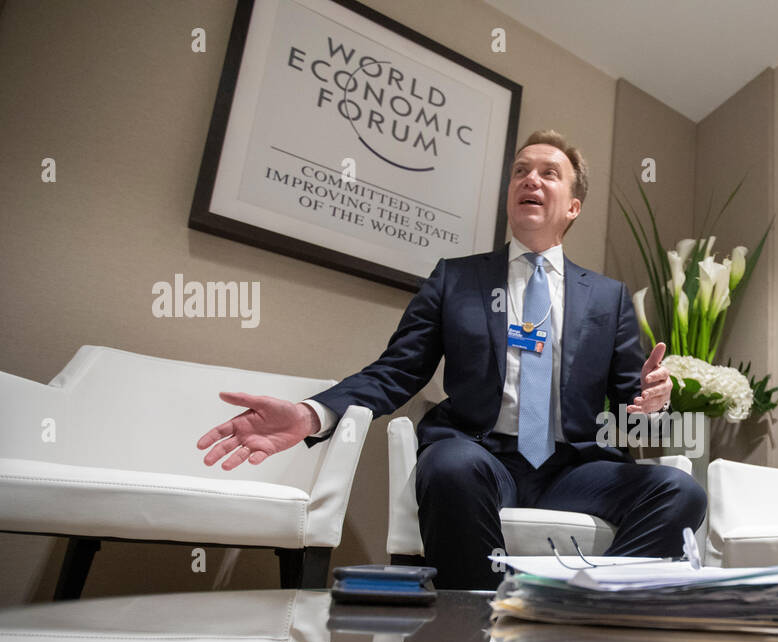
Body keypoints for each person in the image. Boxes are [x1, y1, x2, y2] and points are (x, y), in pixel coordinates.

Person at [197, 129, 706, 587]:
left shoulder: (607, 297)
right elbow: (398, 370)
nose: (531, 178)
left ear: (572, 206)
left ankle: (589, 608)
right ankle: (477, 632)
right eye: (520, 171)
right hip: (481, 457)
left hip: (572, 470)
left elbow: (629, 397)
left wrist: (652, 398)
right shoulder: (456, 278)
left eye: (549, 173)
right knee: (449, 465)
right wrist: (311, 413)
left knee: (681, 492)